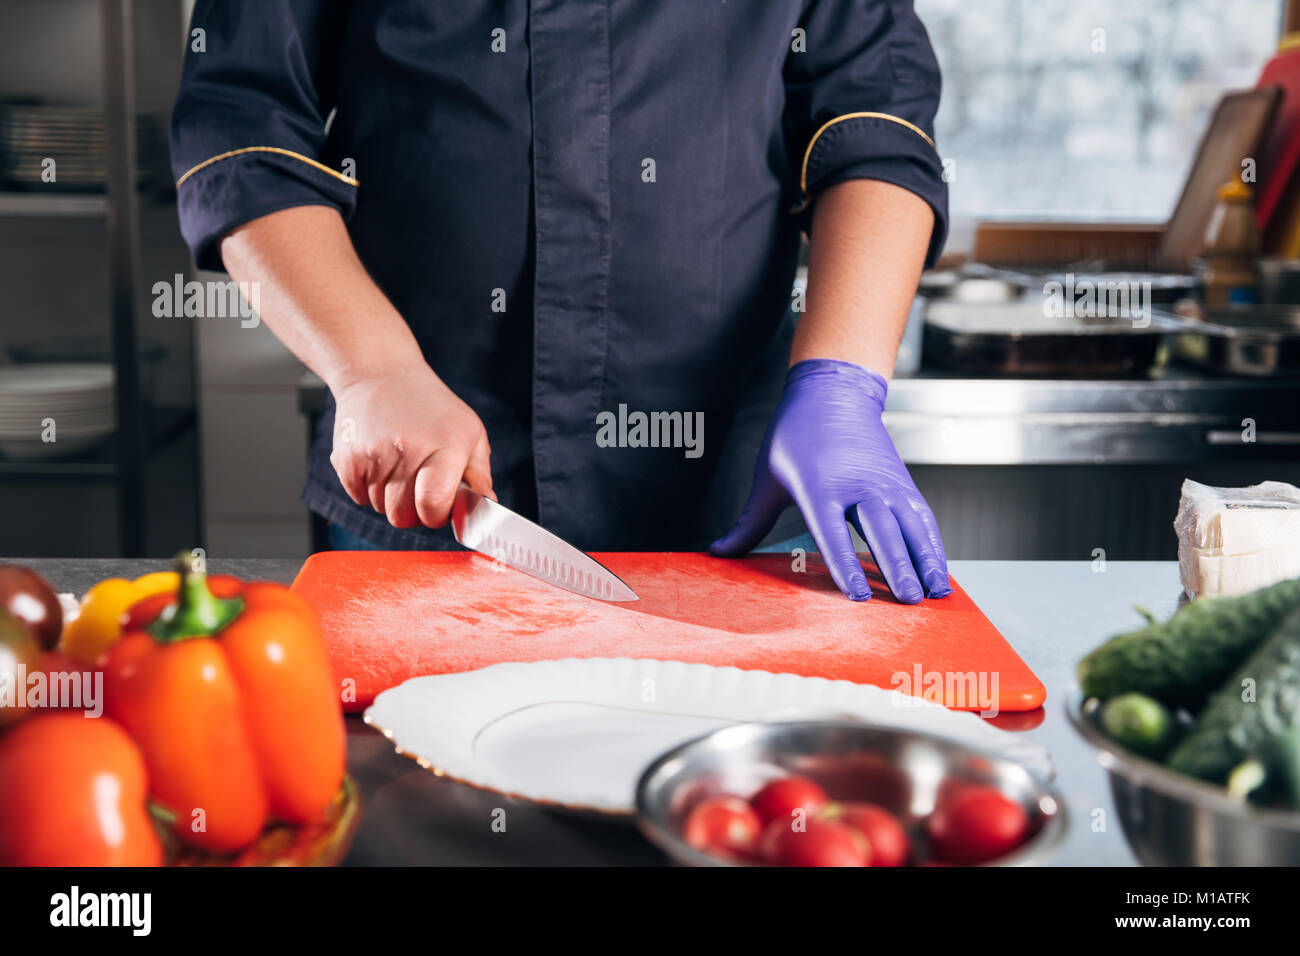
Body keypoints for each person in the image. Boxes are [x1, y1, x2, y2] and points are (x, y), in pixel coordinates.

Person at [171, 0, 952, 603]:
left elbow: (876, 125)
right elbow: (241, 129)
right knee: (418, 804)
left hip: (735, 494)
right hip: (430, 488)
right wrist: (372, 369)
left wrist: (840, 384)